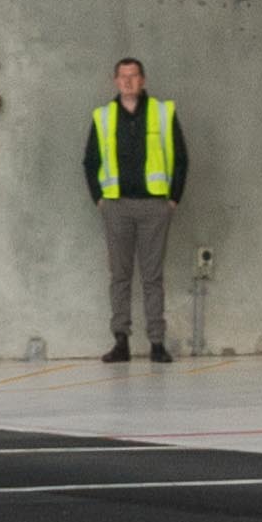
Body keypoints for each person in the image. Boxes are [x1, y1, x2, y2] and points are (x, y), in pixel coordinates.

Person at [85, 55, 185, 363]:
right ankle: (121, 341)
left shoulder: (162, 112)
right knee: (120, 275)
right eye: (122, 76)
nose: (128, 81)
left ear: (143, 80)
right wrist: (99, 199)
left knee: (152, 276)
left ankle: (157, 342)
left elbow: (181, 157)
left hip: (155, 205)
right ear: (115, 81)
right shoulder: (103, 117)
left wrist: (173, 199)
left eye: (134, 76)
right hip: (117, 206)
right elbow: (90, 161)